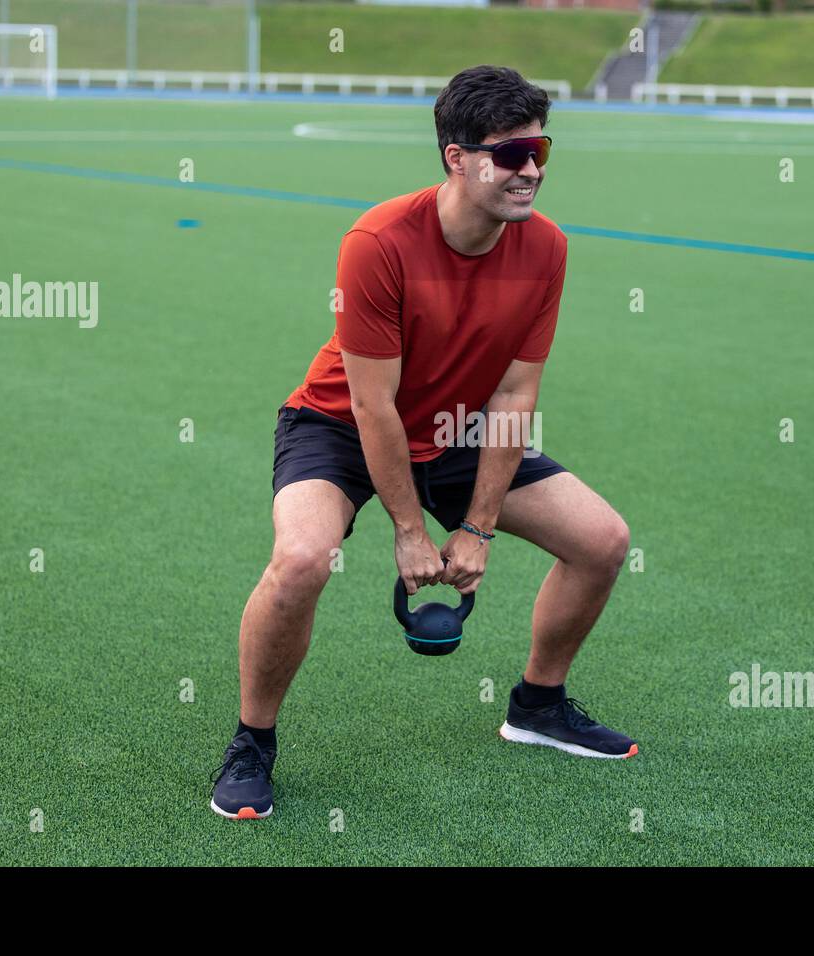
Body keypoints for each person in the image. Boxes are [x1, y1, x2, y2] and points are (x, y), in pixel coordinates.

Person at [211, 65, 636, 821]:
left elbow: (514, 396)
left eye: (540, 150)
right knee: (302, 559)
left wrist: (476, 526)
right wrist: (411, 533)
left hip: (459, 430)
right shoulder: (378, 242)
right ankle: (253, 742)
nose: (530, 169)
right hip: (339, 425)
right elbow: (375, 409)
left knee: (602, 540)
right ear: (456, 156)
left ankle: (537, 706)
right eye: (509, 155)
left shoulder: (546, 249)